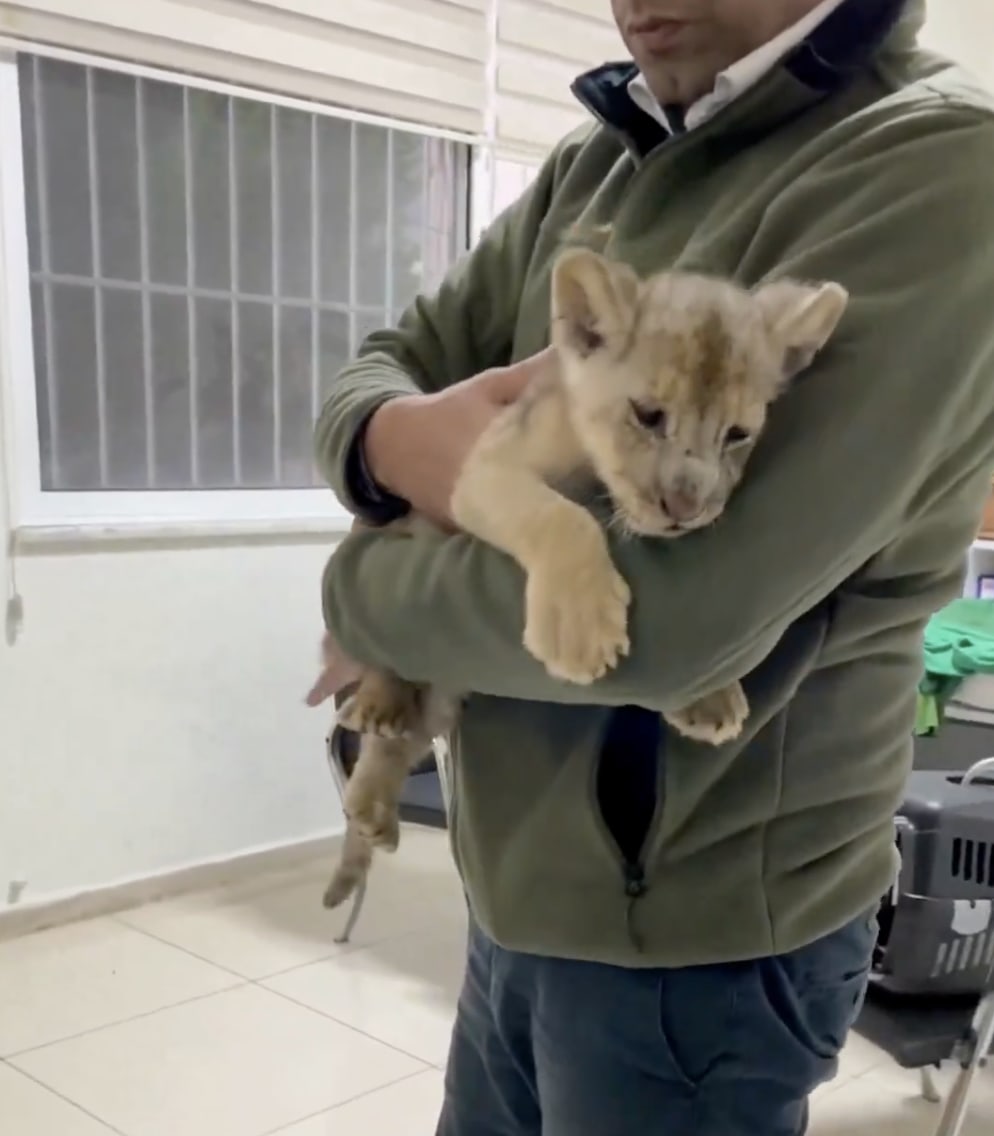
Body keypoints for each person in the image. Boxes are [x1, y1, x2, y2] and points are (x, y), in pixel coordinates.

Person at [310, 1, 994, 1132]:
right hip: (516, 882)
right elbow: (386, 363)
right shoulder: (604, 152)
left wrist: (358, 591)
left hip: (695, 939)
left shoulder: (937, 165)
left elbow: (668, 628)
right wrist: (389, 443)